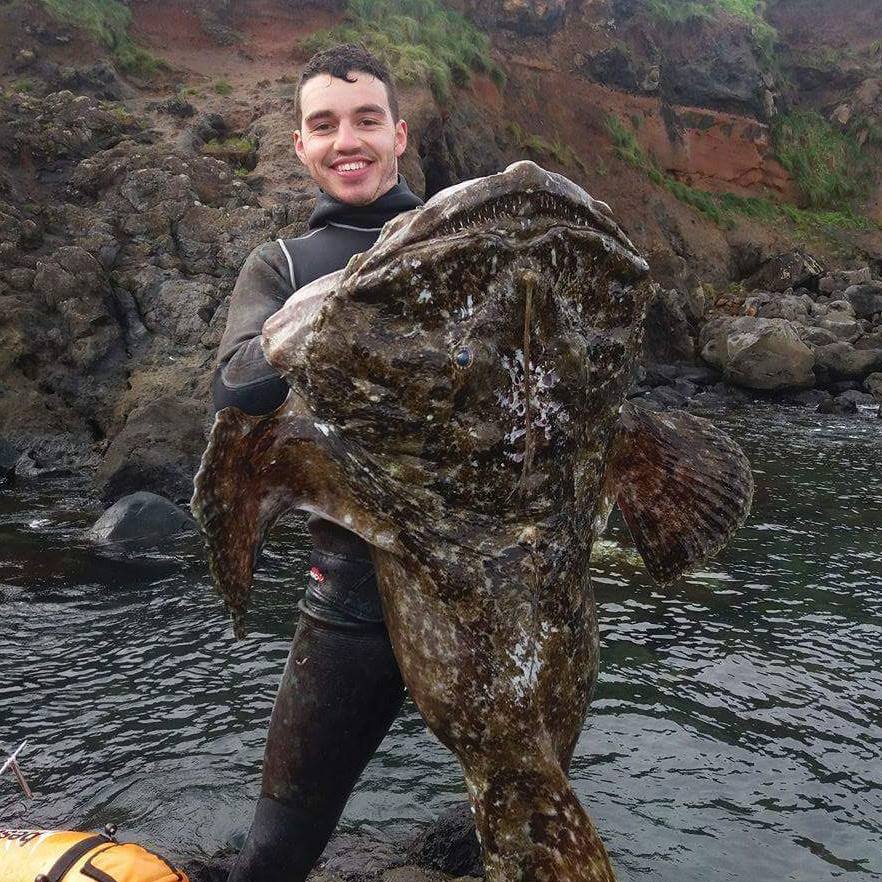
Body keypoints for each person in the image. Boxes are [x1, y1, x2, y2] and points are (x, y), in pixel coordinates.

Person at [212, 43, 424, 882]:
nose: (348, 140)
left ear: (398, 133)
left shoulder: (469, 234)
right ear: (300, 145)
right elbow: (235, 392)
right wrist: (324, 310)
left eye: (367, 120)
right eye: (324, 125)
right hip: (352, 584)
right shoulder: (283, 267)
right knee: (273, 856)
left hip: (492, 576)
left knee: (522, 811)